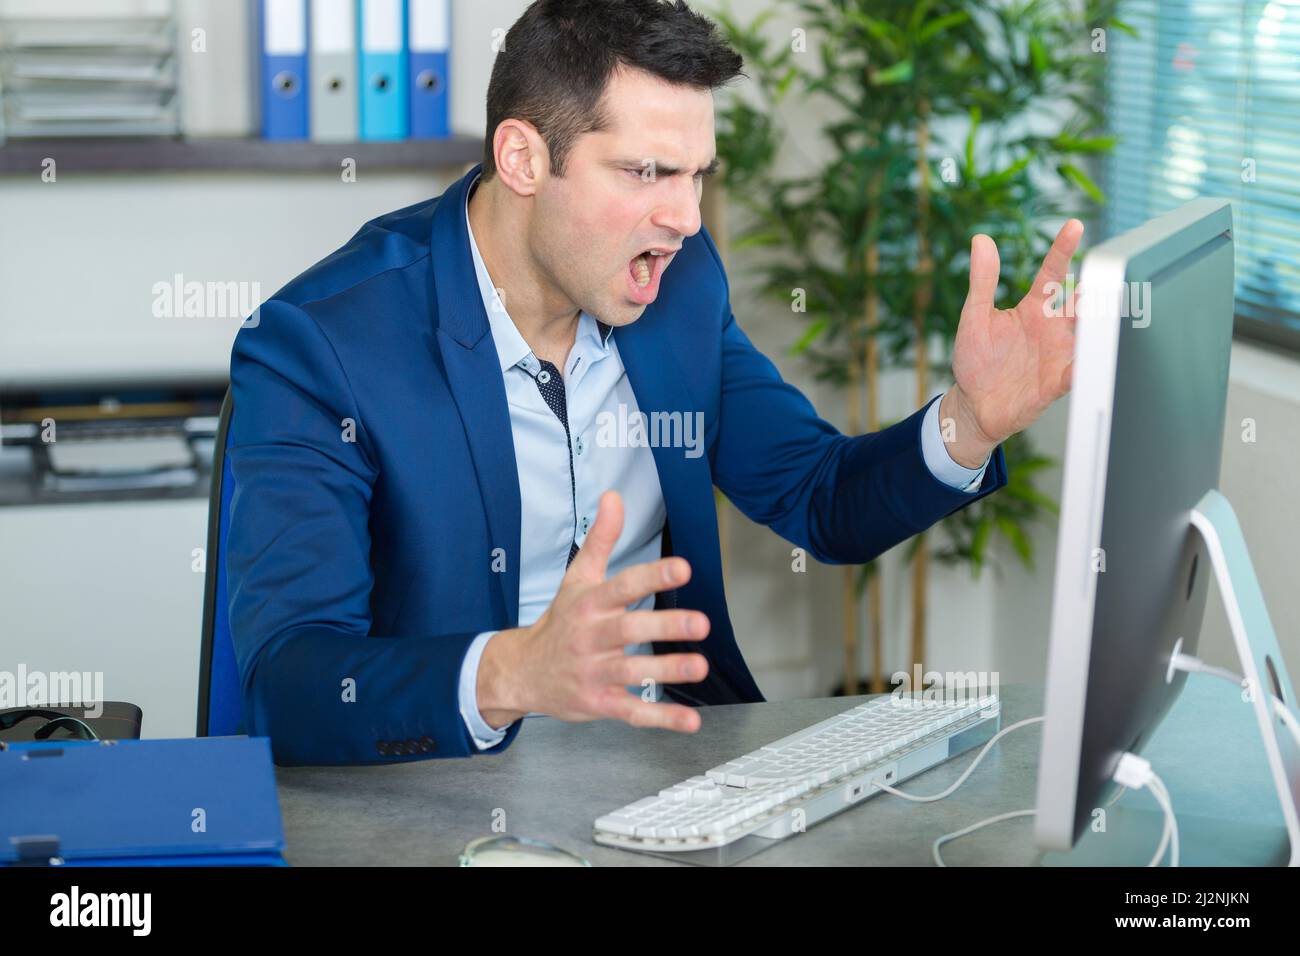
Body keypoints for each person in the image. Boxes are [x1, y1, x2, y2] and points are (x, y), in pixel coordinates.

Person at [227, 0, 1083, 765]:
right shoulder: (321, 345)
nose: (686, 218)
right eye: (647, 173)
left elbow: (819, 497)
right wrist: (513, 672)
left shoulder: (677, 283)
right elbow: (290, 678)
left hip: (668, 773)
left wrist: (969, 422)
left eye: (697, 173)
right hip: (441, 791)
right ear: (523, 158)